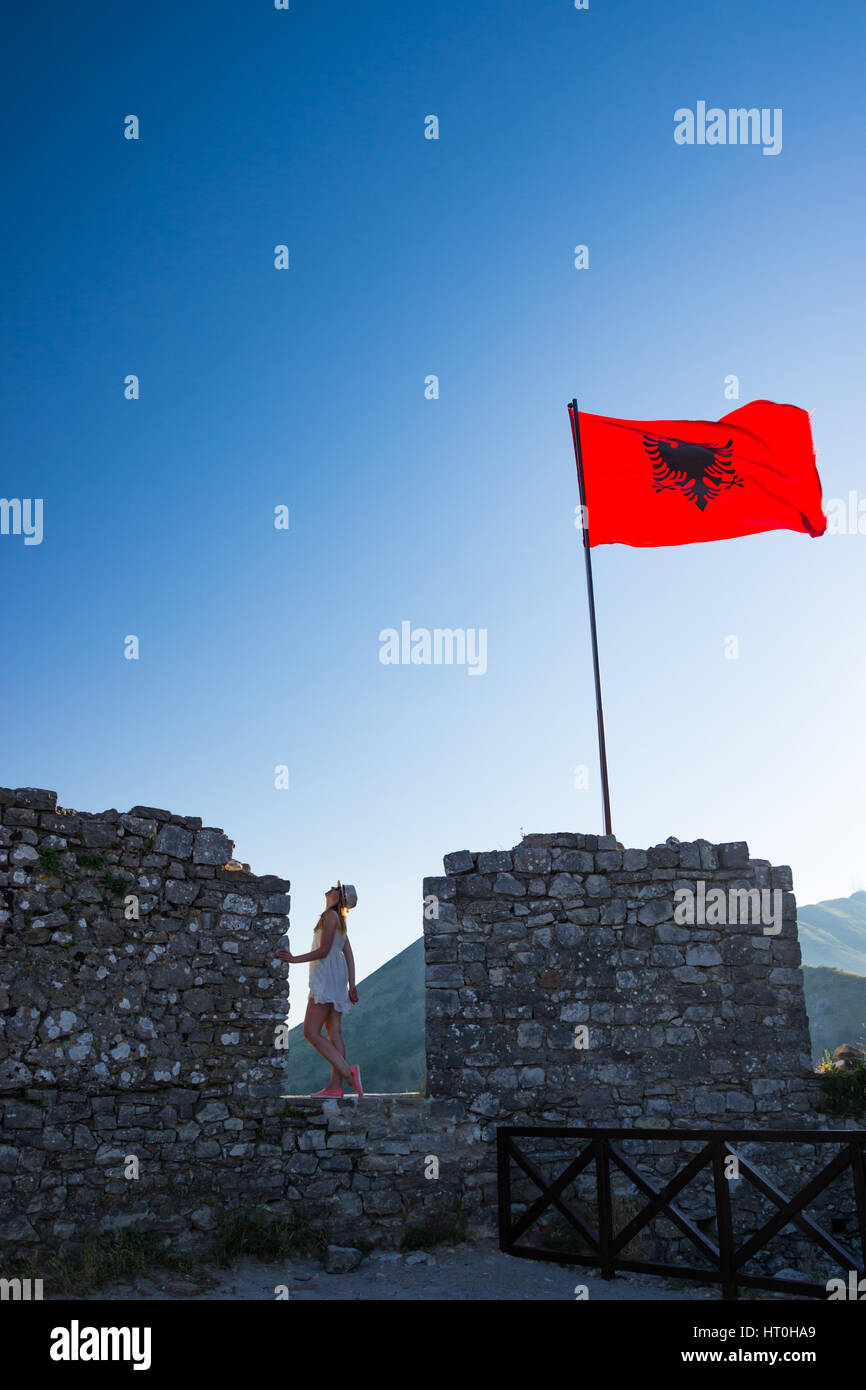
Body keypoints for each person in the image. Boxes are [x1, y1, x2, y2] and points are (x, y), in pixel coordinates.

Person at [276, 881, 362, 1098]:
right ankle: (335, 1087)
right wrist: (351, 985)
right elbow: (349, 955)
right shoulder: (339, 920)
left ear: (339, 898)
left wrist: (294, 959)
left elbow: (323, 951)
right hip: (337, 976)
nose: (331, 888)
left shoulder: (330, 917)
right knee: (334, 1032)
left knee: (310, 1032)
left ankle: (348, 1074)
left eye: (336, 889)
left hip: (326, 976)